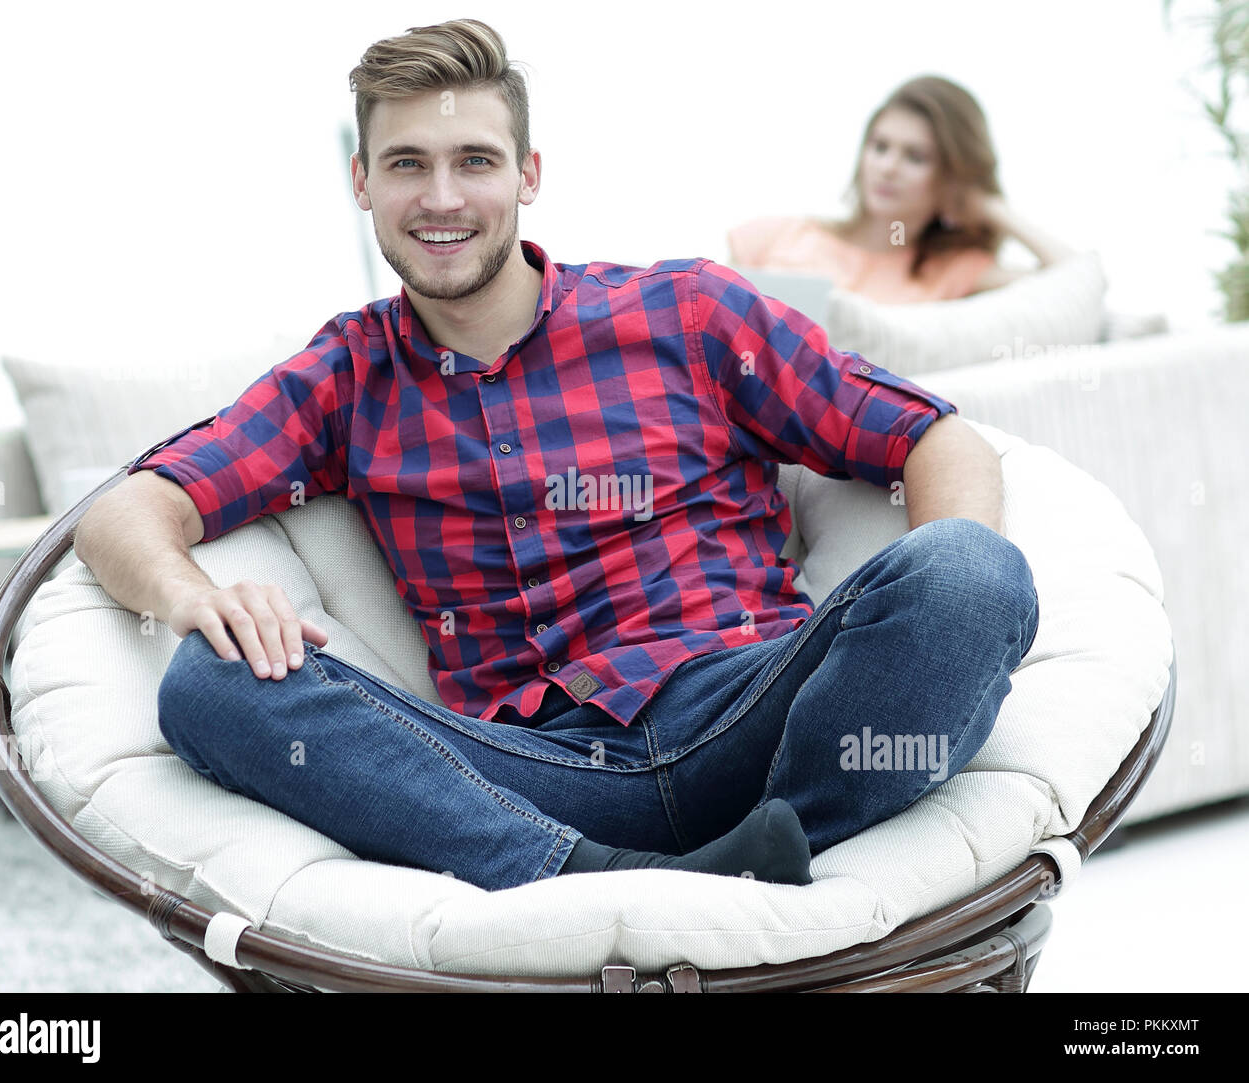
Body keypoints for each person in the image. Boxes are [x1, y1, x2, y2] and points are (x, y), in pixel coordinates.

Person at [74, 20, 1039, 893]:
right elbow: (124, 509)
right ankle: (603, 879)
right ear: (362, 183)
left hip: (757, 719)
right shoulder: (346, 376)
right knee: (210, 683)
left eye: (475, 161)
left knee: (968, 571)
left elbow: (933, 435)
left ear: (529, 174)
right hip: (537, 779)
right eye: (407, 164)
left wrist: (934, 628)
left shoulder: (689, 312)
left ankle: (782, 850)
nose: (442, 198)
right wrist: (188, 596)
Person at [727, 75, 1077, 303]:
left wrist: (988, 206)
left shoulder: (952, 271)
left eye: (915, 156)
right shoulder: (775, 237)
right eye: (880, 147)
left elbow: (1076, 282)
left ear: (951, 175)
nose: (888, 167)